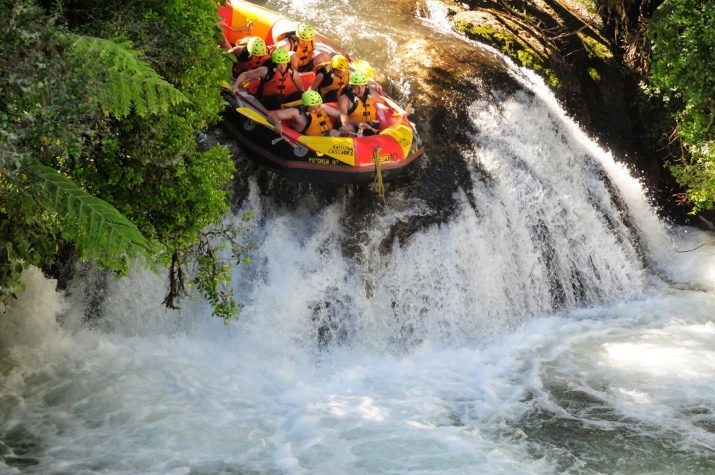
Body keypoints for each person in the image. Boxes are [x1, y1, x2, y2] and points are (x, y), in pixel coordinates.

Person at [232, 49, 304, 110]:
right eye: (279, 64)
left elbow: (301, 90)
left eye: (284, 64)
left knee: (300, 95)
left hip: (284, 102)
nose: (282, 67)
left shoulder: (293, 73)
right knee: (278, 98)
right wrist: (236, 85)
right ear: (275, 63)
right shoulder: (265, 71)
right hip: (268, 101)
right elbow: (245, 75)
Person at [267, 90, 341, 136]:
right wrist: (277, 124)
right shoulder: (296, 112)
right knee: (333, 132)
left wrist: (345, 125)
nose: (317, 110)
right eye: (313, 108)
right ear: (305, 106)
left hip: (326, 139)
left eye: (318, 106)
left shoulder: (322, 107)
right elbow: (272, 115)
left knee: (341, 130)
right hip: (309, 143)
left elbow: (340, 115)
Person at [338, 71, 387, 135]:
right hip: (354, 127)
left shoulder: (372, 94)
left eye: (362, 86)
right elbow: (344, 120)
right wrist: (358, 124)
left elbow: (385, 102)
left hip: (370, 125)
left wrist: (398, 110)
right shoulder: (345, 99)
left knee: (375, 125)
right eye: (357, 87)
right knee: (347, 128)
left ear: (365, 85)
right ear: (351, 86)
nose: (360, 90)